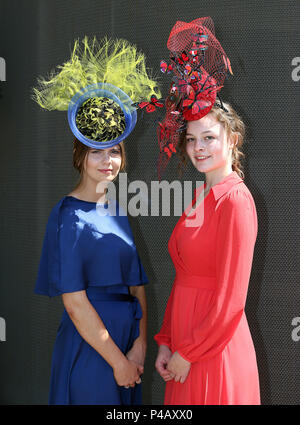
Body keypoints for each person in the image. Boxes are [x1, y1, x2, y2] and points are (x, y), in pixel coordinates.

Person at [32, 36, 160, 405]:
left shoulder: (119, 211)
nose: (108, 160)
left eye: (115, 151)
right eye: (96, 151)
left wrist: (138, 349)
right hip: (93, 353)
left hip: (126, 349)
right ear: (79, 156)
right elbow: (74, 303)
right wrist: (118, 361)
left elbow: (137, 288)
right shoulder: (67, 216)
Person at [152, 17, 260, 404]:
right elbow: (183, 280)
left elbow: (232, 300)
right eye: (192, 139)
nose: (198, 147)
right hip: (184, 349)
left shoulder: (236, 201)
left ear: (231, 138)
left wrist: (188, 352)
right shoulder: (198, 199)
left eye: (209, 138)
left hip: (214, 354)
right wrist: (166, 342)